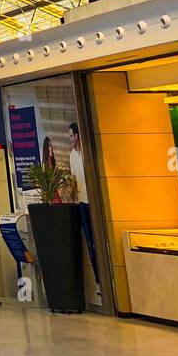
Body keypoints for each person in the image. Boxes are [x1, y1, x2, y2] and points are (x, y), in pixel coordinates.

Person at [69, 122, 100, 288]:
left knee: (99, 240)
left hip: (94, 201)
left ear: (77, 136)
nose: (70, 139)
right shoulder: (72, 155)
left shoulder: (89, 153)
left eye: (71, 136)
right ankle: (98, 281)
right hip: (82, 202)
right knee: (90, 242)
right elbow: (74, 180)